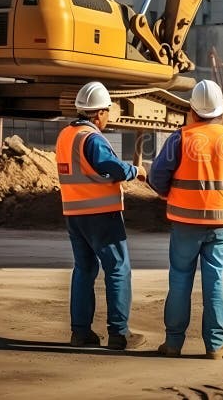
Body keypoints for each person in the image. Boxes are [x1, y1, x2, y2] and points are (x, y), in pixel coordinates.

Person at [150, 79, 223, 359]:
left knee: (179, 279)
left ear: (191, 110)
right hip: (222, 222)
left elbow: (156, 177)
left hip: (185, 221)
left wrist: (169, 192)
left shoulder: (181, 137)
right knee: (214, 281)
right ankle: (215, 345)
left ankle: (173, 344)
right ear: (221, 111)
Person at [55, 81, 147, 350]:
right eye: (108, 110)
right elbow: (111, 167)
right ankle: (119, 334)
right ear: (98, 113)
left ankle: (80, 332)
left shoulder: (66, 135)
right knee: (118, 269)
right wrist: (135, 171)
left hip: (74, 214)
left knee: (84, 269)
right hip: (101, 214)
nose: (108, 116)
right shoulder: (91, 137)